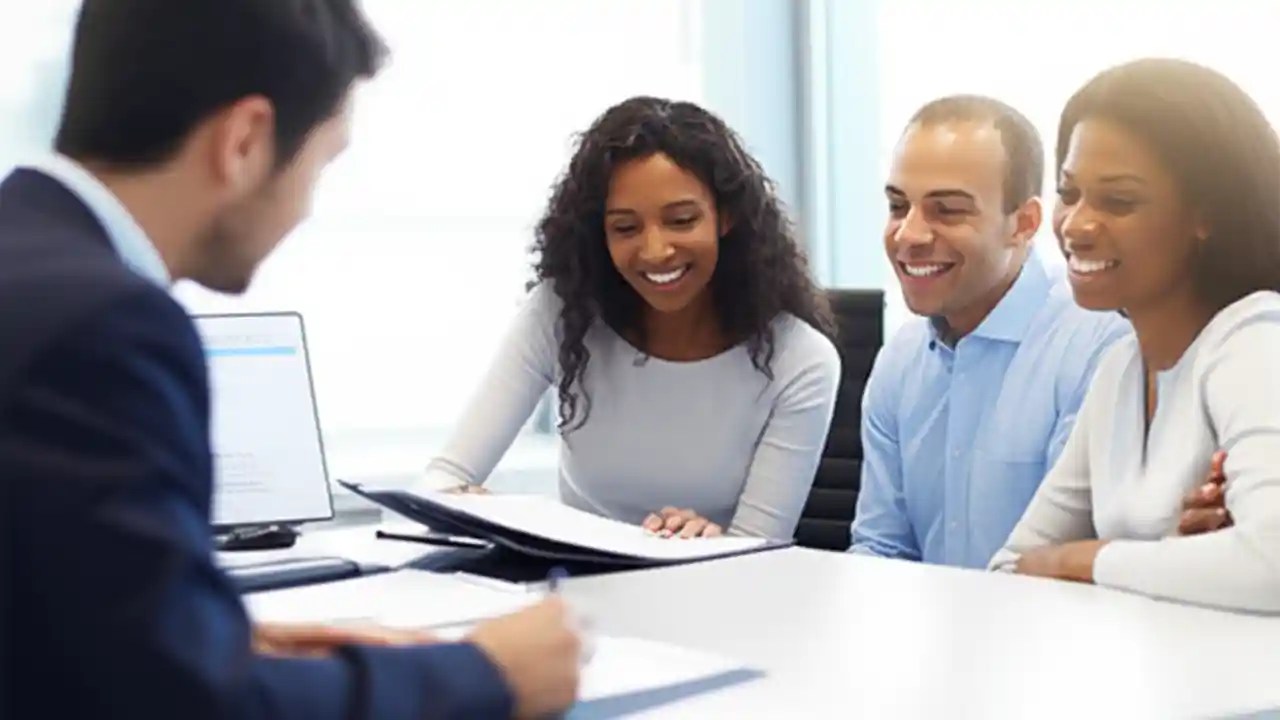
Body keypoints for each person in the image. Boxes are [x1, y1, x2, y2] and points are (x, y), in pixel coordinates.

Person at [1, 1, 580, 718]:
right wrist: (489, 675)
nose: (308, 208)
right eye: (323, 162)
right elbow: (186, 708)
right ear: (244, 141)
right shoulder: (104, 324)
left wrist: (207, 636)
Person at [420, 96, 841, 540]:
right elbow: (444, 478)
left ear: (726, 217)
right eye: (625, 228)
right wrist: (476, 514)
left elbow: (760, 552)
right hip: (575, 594)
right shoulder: (562, 314)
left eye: (681, 220)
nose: (656, 250)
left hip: (711, 595)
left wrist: (709, 544)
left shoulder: (801, 361)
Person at [989, 58, 1280, 614]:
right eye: (1069, 193)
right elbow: (1009, 568)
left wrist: (1084, 560)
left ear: (1207, 215)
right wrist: (1177, 562)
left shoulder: (1254, 338)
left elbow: (1273, 562)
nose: (1076, 225)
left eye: (1119, 202)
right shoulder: (1121, 367)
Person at [849, 95, 1130, 569]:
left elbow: (1080, 561)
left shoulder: (1098, 348)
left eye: (948, 211)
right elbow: (879, 547)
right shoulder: (900, 358)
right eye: (899, 206)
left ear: (1024, 223)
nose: (909, 235)